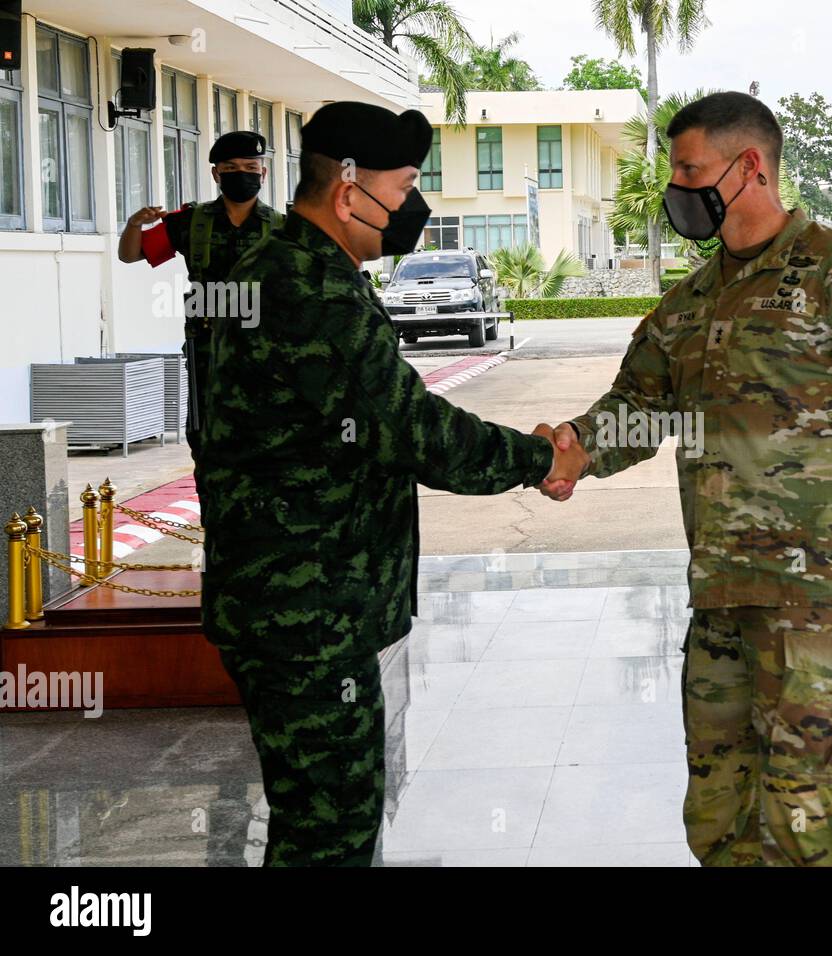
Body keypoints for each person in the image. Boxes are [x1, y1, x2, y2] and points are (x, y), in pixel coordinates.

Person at [538, 92, 832, 866]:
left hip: (825, 597)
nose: (677, 187)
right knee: (723, 815)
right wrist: (574, 450)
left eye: (689, 169)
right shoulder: (691, 304)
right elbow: (640, 408)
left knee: (816, 807)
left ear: (748, 167)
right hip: (722, 595)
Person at [200, 101, 588, 866]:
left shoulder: (277, 266)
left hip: (287, 602)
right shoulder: (308, 289)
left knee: (314, 822)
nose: (413, 204)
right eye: (405, 184)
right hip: (305, 615)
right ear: (348, 191)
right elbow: (415, 433)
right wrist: (542, 459)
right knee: (330, 836)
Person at [117, 131, 284, 478]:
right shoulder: (192, 222)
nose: (243, 173)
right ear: (216, 174)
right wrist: (135, 223)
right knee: (207, 440)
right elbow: (131, 254)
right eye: (232, 167)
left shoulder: (285, 228)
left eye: (251, 166)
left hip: (267, 353)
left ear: (263, 173)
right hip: (208, 352)